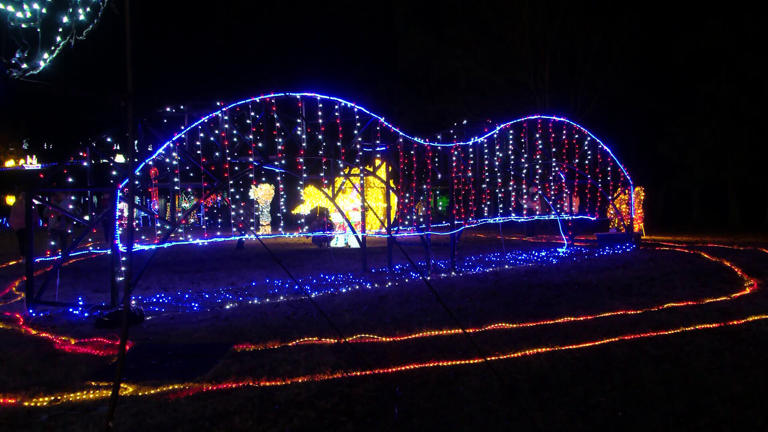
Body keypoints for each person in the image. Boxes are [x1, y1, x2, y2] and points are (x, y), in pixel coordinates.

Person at [9, 192, 32, 260]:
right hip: (21, 225)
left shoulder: (18, 204)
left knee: (24, 241)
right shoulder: (18, 204)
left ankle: (25, 255)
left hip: (23, 225)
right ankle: (24, 255)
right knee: (23, 241)